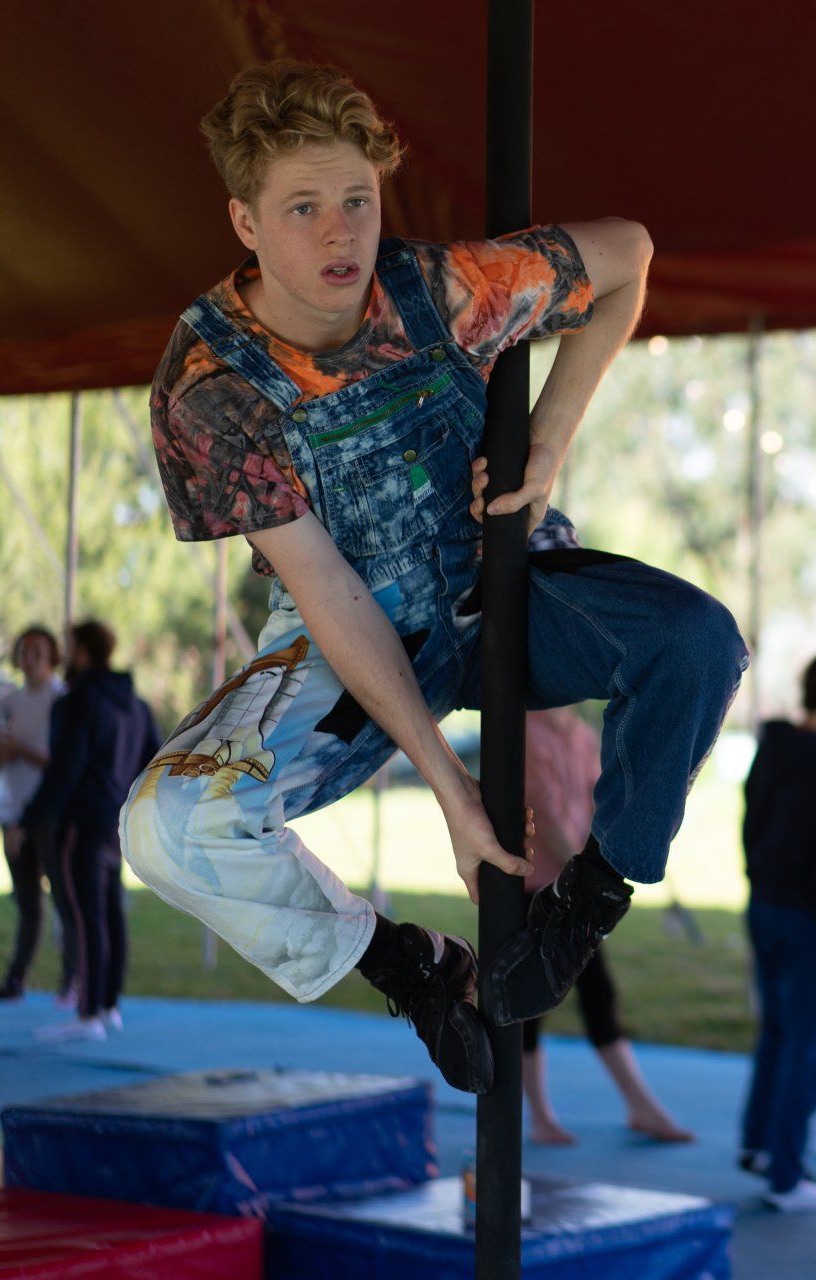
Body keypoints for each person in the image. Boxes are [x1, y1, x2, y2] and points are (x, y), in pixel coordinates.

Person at [119, 62, 746, 1095]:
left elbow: (627, 257)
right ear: (244, 220)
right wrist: (454, 793)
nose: (340, 234)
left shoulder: (448, 287)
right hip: (351, 632)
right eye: (304, 208)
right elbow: (327, 588)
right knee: (166, 823)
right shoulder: (212, 383)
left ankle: (593, 892)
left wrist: (547, 439)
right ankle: (405, 964)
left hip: (506, 589)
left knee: (697, 640)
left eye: (357, 201)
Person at [519, 703, 691, 1149]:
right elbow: (543, 812)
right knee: (529, 1001)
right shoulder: (524, 733)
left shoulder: (579, 734)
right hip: (535, 887)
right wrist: (585, 875)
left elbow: (602, 800)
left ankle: (638, 1104)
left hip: (573, 884)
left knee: (598, 993)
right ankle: (541, 1114)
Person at [738, 653, 816, 1211]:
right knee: (812, 1048)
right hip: (806, 921)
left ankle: (762, 1144)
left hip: (765, 905)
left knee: (778, 1033)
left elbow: (750, 825)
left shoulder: (774, 750)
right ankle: (786, 1175)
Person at [24, 622, 161, 1042]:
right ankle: (108, 1004)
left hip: (81, 823)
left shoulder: (82, 700)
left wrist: (32, 818)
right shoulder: (135, 706)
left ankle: (88, 1014)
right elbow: (151, 761)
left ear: (83, 652)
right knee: (109, 913)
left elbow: (67, 766)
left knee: (85, 916)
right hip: (114, 822)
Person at [0, 627, 65, 1003]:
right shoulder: (6, 703)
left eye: (37, 650)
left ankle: (74, 980)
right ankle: (16, 979)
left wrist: (22, 749)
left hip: (49, 814)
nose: (28, 656)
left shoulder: (61, 699)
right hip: (12, 813)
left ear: (51, 655)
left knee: (67, 898)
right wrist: (6, 751)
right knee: (27, 900)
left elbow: (65, 763)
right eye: (23, 650)